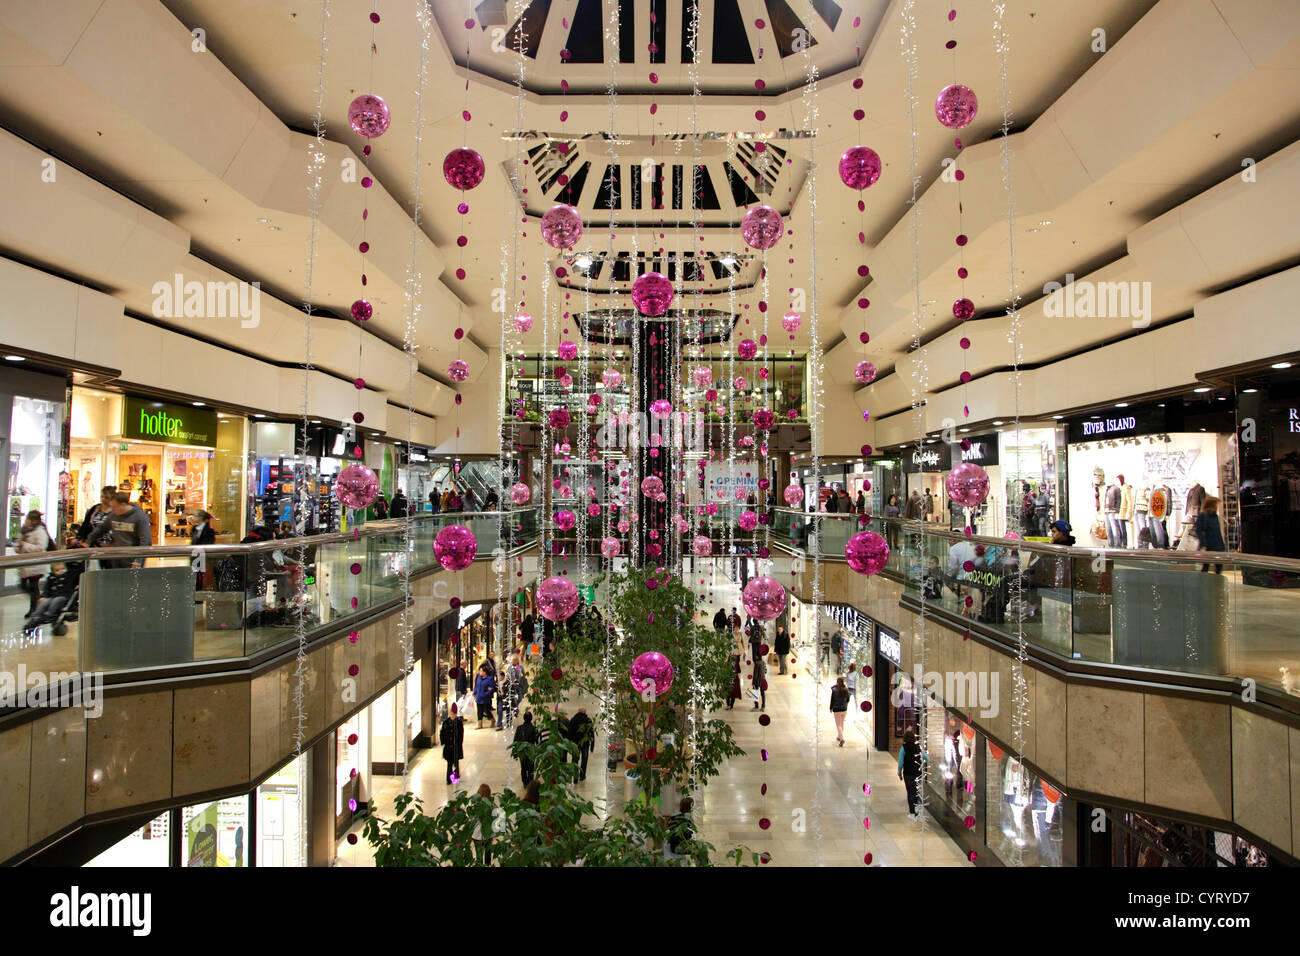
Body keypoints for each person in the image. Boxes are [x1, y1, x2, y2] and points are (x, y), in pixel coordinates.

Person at [81, 491, 152, 568]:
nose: (112, 509)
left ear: (123, 505)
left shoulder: (140, 517)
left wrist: (138, 560)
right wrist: (88, 541)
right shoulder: (114, 515)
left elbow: (145, 540)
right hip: (116, 557)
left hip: (131, 558)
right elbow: (101, 529)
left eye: (114, 507)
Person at [14, 510, 51, 615]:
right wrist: (18, 547)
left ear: (33, 521)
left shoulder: (40, 531)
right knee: (25, 586)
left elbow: (41, 547)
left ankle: (34, 608)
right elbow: (18, 542)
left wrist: (26, 546)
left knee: (33, 586)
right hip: (25, 564)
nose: (26, 521)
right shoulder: (24, 530)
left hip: (35, 565)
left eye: (28, 519)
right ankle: (38, 602)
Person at [1194, 496, 1226, 574]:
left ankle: (1217, 583)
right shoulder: (1203, 516)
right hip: (1208, 545)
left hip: (1218, 546)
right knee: (1206, 566)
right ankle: (1204, 583)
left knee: (1218, 567)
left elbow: (1217, 532)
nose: (1217, 507)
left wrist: (1222, 546)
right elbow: (1198, 530)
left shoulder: (1215, 516)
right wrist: (1203, 544)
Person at [898, 730, 924, 819]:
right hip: (918, 772)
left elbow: (900, 762)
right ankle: (917, 809)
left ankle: (912, 813)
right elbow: (926, 758)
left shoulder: (903, 748)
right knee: (916, 791)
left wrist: (899, 772)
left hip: (908, 773)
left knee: (910, 792)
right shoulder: (918, 747)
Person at [664, 796, 696, 863]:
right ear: (690, 807)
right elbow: (686, 837)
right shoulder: (687, 819)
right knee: (699, 849)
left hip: (671, 846)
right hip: (679, 848)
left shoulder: (674, 816)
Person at [512, 711, 540, 786]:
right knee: (531, 768)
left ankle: (525, 782)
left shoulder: (519, 728)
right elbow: (537, 741)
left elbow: (515, 740)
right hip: (531, 751)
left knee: (523, 767)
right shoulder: (534, 728)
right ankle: (530, 783)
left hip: (522, 751)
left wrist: (515, 753)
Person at [567, 707, 594, 780]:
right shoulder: (588, 720)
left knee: (575, 759)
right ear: (585, 713)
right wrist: (592, 745)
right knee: (584, 760)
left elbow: (569, 732)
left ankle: (575, 777)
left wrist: (569, 742)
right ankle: (582, 776)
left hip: (575, 743)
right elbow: (592, 733)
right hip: (585, 744)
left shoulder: (573, 720)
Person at [440, 706, 465, 785]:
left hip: (456, 747)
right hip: (448, 747)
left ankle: (455, 778)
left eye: (454, 714)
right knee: (449, 764)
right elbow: (442, 733)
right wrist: (443, 742)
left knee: (456, 763)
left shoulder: (458, 723)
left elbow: (461, 735)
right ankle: (448, 779)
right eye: (451, 714)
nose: (452, 715)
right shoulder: (446, 723)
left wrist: (459, 743)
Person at [471, 783, 494, 865]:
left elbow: (471, 820)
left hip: (476, 835)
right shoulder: (492, 805)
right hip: (488, 835)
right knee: (488, 854)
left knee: (479, 856)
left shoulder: (474, 805)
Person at [830, 676, 850, 747]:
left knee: (838, 725)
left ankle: (842, 739)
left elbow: (832, 700)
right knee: (841, 723)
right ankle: (839, 736)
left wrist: (831, 708)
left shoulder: (834, 690)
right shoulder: (846, 689)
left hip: (837, 709)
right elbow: (848, 699)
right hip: (844, 709)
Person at [751, 644, 767, 711]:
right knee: (762, 693)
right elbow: (765, 671)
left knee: (755, 693)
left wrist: (753, 682)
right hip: (763, 679)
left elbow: (755, 674)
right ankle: (763, 706)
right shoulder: (763, 662)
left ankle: (756, 706)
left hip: (757, 681)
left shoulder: (757, 663)